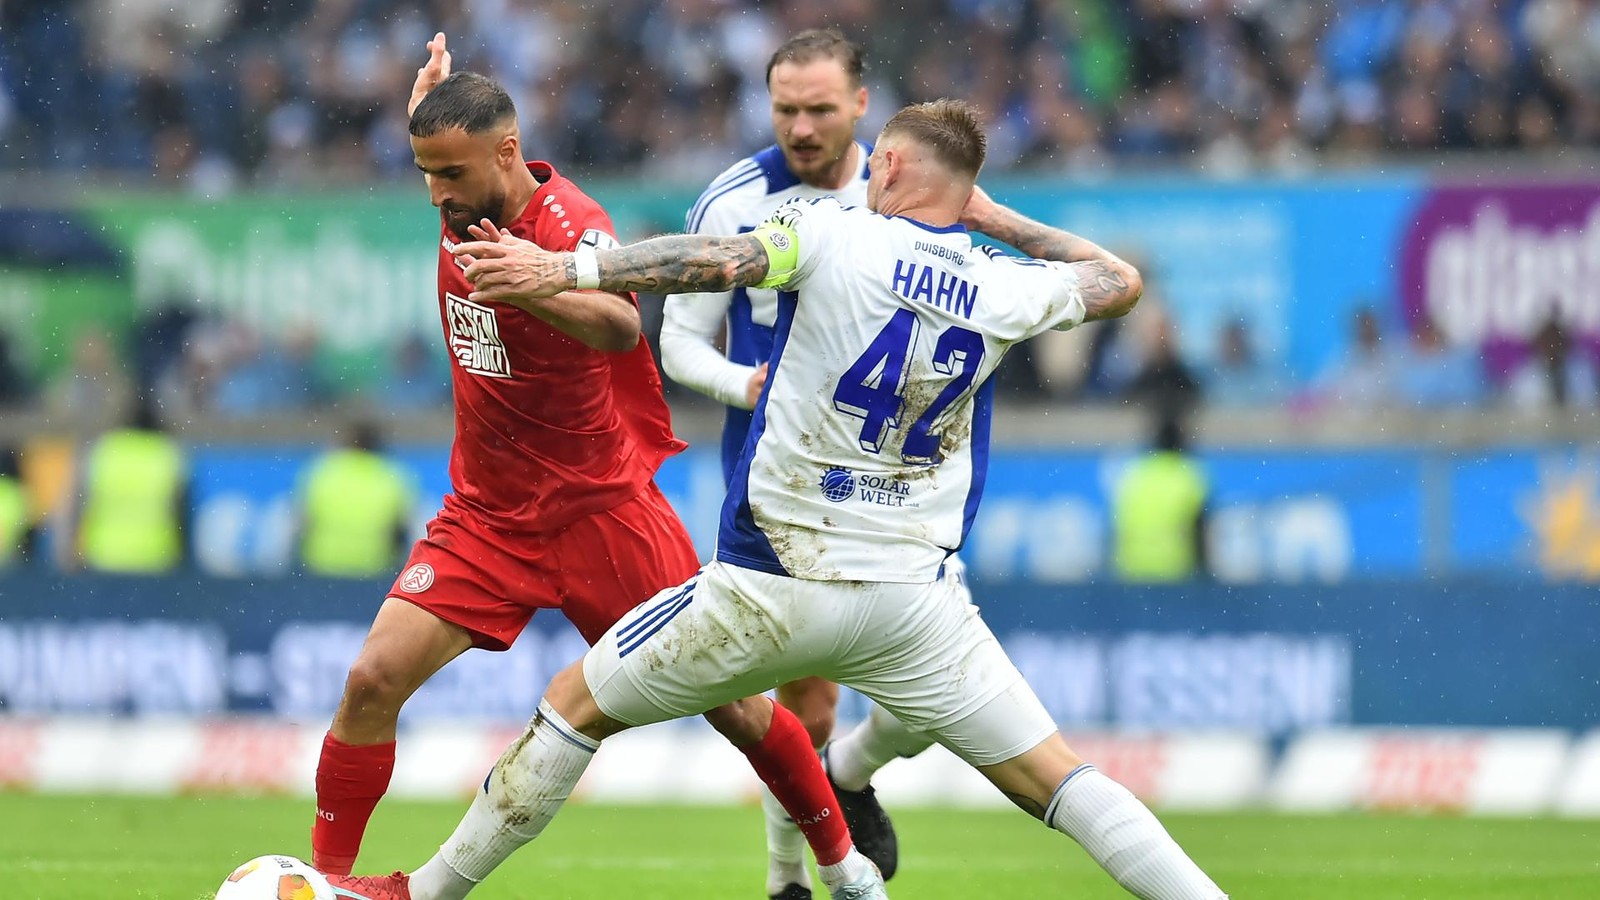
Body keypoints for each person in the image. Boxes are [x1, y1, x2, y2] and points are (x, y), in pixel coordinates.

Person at [337, 98, 1227, 900]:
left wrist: (563, 272)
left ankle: (421, 893)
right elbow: (1118, 280)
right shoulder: (1008, 287)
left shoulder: (832, 228)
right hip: (912, 603)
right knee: (1060, 782)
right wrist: (993, 218)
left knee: (574, 706)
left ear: (888, 168)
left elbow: (711, 262)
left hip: (775, 582)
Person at [312, 36, 878, 895]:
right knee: (371, 681)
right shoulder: (463, 191)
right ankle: (322, 885)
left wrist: (535, 282)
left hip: (600, 512)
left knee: (735, 707)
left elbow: (621, 325)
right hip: (487, 514)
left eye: (449, 175)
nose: (436, 195)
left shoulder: (570, 221)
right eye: (426, 172)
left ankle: (844, 871)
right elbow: (453, 153)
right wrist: (431, 112)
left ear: (506, 154)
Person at [659, 28, 931, 896]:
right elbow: (678, 341)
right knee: (803, 705)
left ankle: (851, 770)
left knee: (925, 701)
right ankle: (787, 881)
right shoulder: (732, 202)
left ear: (862, 103)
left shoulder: (913, 196)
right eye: (785, 110)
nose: (802, 127)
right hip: (782, 490)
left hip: (896, 481)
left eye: (820, 109)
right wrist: (747, 385)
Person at [71, 394, 188, 574]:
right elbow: (181, 510)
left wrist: (73, 553)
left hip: (104, 556)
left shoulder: (104, 449)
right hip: (156, 558)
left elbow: (80, 503)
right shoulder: (167, 452)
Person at [298, 421, 415, 578]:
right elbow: (402, 529)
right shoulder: (391, 475)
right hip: (373, 569)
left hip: (324, 566)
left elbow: (303, 521)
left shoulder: (324, 470)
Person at [1112, 412, 1209, 583]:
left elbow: (1118, 523)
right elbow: (1200, 529)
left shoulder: (1136, 472)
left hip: (1132, 568)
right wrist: (1205, 574)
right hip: (1175, 568)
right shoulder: (1188, 473)